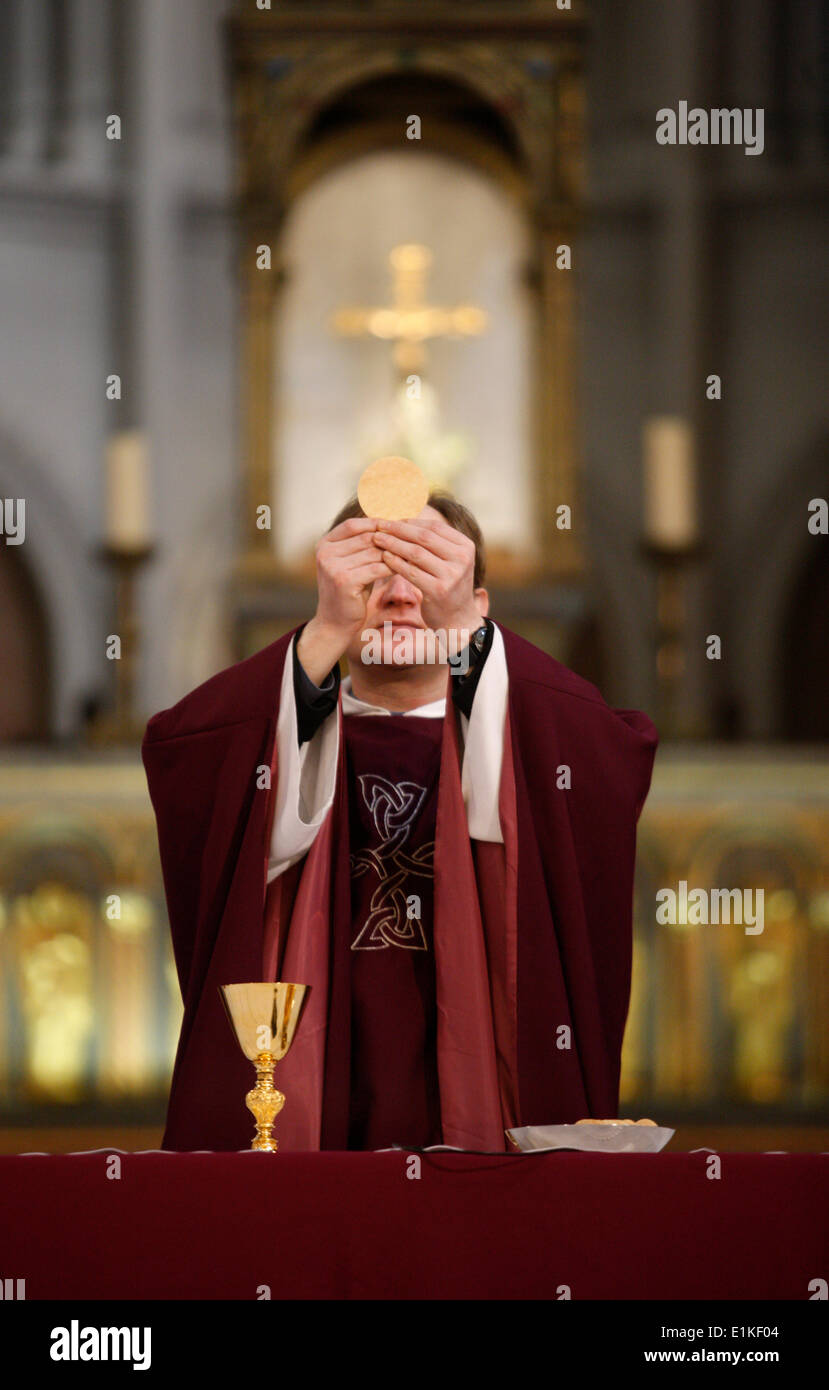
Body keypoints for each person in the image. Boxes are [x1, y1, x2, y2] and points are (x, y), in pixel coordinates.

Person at [142, 491, 658, 1152]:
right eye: (373, 575)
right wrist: (324, 636)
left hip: (485, 1109)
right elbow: (183, 755)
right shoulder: (281, 736)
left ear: (480, 607)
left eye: (426, 573)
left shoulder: (519, 736)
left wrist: (468, 644)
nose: (399, 595)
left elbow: (611, 756)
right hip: (306, 1114)